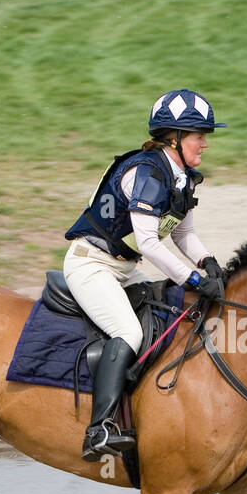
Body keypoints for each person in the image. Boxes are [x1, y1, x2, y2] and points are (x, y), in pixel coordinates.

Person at [63, 88, 228, 462]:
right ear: (174, 138)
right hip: (91, 264)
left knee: (170, 313)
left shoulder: (182, 176)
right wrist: (195, 280)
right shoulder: (146, 173)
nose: (205, 143)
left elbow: (183, 233)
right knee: (129, 332)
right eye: (199, 135)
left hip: (123, 269)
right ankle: (99, 430)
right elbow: (150, 243)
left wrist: (208, 262)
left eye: (205, 135)